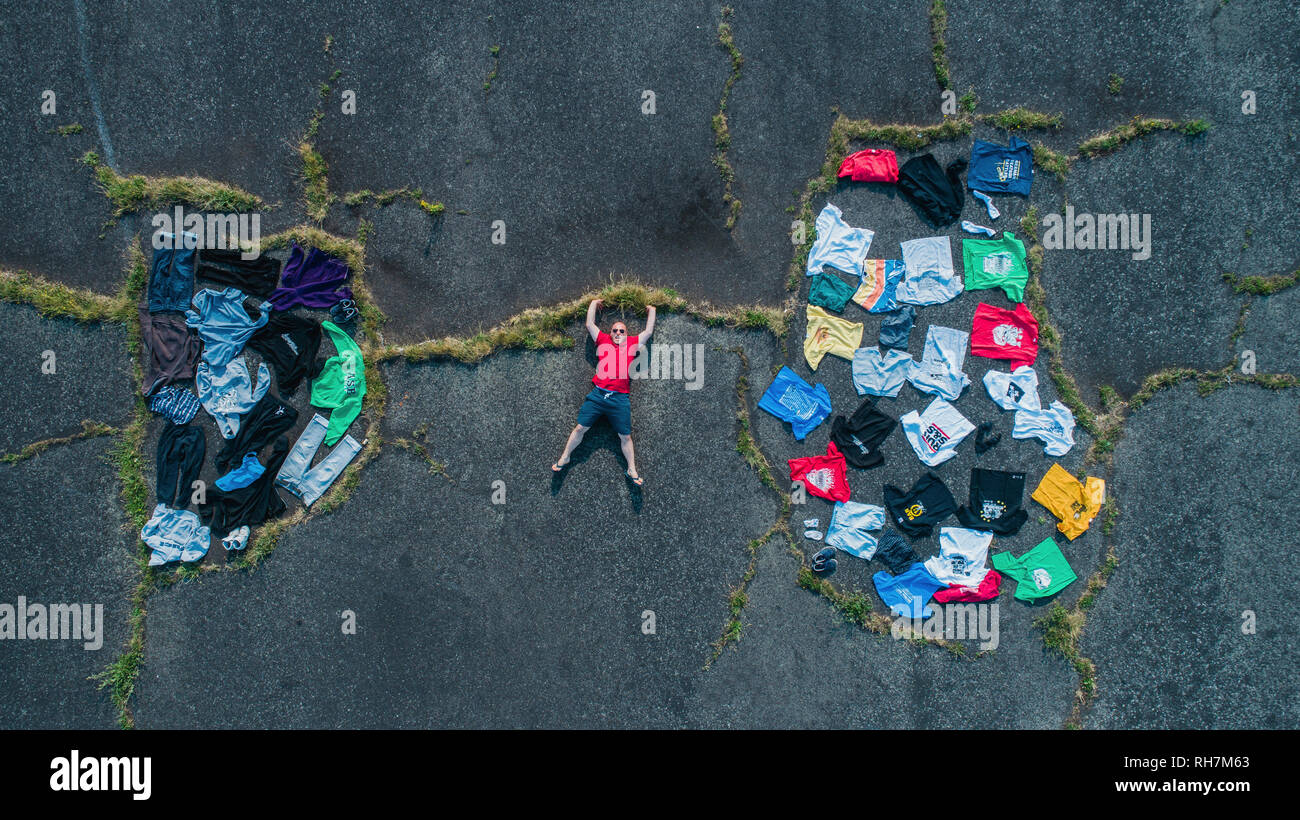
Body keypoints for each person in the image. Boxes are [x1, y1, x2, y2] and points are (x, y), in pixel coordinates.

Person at [552, 298, 656, 485]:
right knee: (580, 428)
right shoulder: (603, 340)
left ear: (626, 333)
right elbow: (589, 324)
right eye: (614, 330)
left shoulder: (632, 343)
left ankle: (631, 469)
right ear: (610, 333)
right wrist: (593, 302)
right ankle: (565, 456)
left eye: (621, 330)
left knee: (625, 436)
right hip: (598, 395)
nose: (617, 332)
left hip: (620, 399)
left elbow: (648, 331)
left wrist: (652, 310)